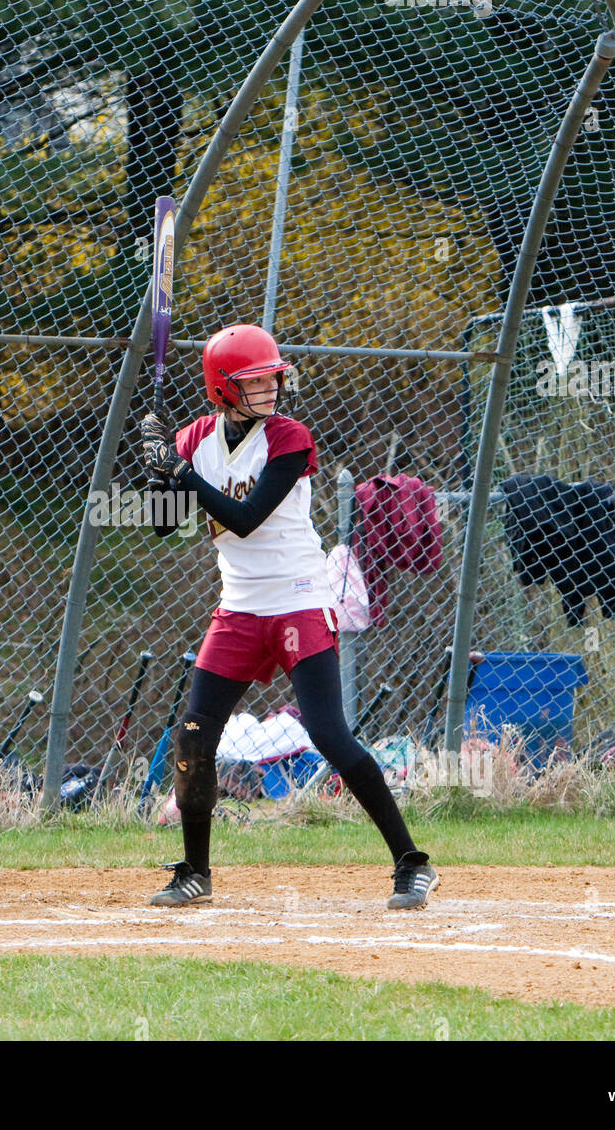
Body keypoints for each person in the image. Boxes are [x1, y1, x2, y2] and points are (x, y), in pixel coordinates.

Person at [141, 324, 439, 910]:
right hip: (239, 607)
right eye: (255, 381)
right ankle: (195, 871)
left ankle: (412, 863)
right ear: (222, 389)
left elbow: (246, 517)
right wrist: (157, 471)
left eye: (273, 377)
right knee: (195, 736)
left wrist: (182, 475)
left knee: (327, 733)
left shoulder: (289, 438)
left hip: (299, 599)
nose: (272, 388)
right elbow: (161, 524)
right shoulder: (194, 441)